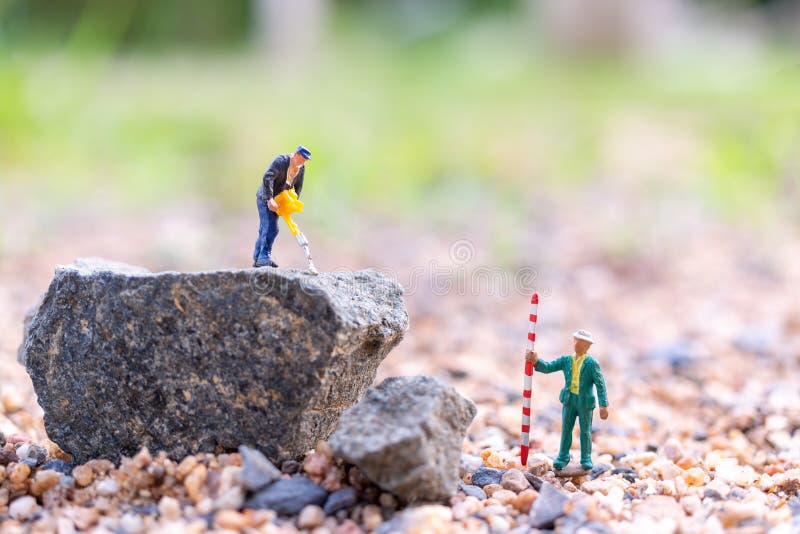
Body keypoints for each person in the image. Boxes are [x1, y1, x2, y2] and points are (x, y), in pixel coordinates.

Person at [526, 329, 609, 471]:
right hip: (569, 400)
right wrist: (536, 361)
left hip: (585, 403)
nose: (576, 344)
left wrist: (604, 405)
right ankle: (563, 456)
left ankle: (586, 457)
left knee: (585, 431)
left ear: (587, 346)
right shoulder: (566, 360)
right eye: (575, 341)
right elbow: (548, 367)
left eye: (580, 342)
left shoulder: (592, 363)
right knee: (566, 429)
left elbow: (600, 384)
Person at [253, 146, 312, 268]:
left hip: (280, 201)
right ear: (296, 154)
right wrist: (269, 199)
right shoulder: (281, 161)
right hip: (266, 199)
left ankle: (258, 257)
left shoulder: (301, 168)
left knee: (266, 228)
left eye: (306, 160)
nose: (303, 162)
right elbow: (267, 177)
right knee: (270, 227)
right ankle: (263, 257)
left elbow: (298, 187)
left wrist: (292, 203)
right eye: (302, 158)